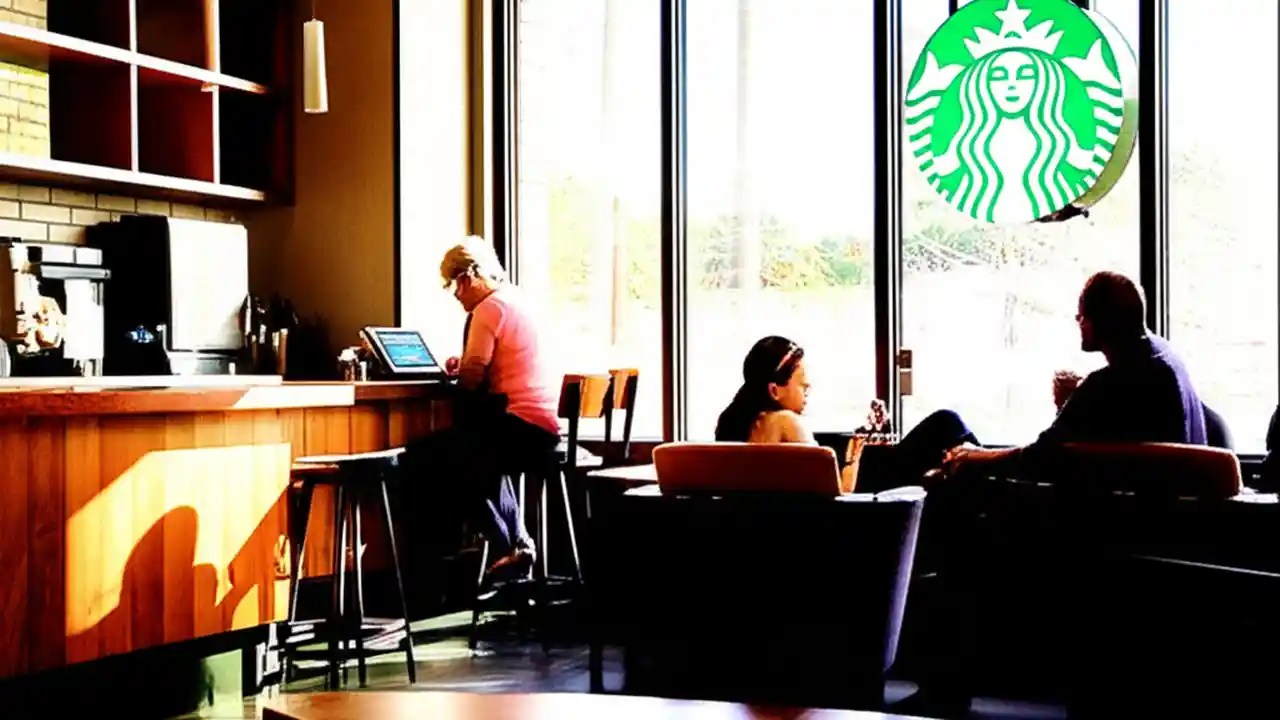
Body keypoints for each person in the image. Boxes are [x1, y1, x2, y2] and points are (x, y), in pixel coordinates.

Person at [943, 271, 1207, 480]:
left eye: (1082, 316)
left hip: (1107, 515)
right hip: (1166, 508)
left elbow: (1037, 460)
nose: (1079, 322)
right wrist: (1081, 398)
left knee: (946, 427)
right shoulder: (1167, 360)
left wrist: (972, 457)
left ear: (1100, 322)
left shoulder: (1104, 386)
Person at [403, 236, 560, 577]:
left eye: (452, 285)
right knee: (473, 455)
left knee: (426, 457)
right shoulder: (516, 300)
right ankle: (518, 546)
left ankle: (497, 549)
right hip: (544, 427)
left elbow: (473, 377)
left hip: (519, 425)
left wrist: (459, 375)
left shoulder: (488, 308)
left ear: (468, 277)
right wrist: (464, 365)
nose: (455, 295)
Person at [714, 336, 815, 444]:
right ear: (774, 391)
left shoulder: (735, 426)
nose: (808, 389)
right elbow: (821, 455)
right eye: (803, 386)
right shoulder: (787, 422)